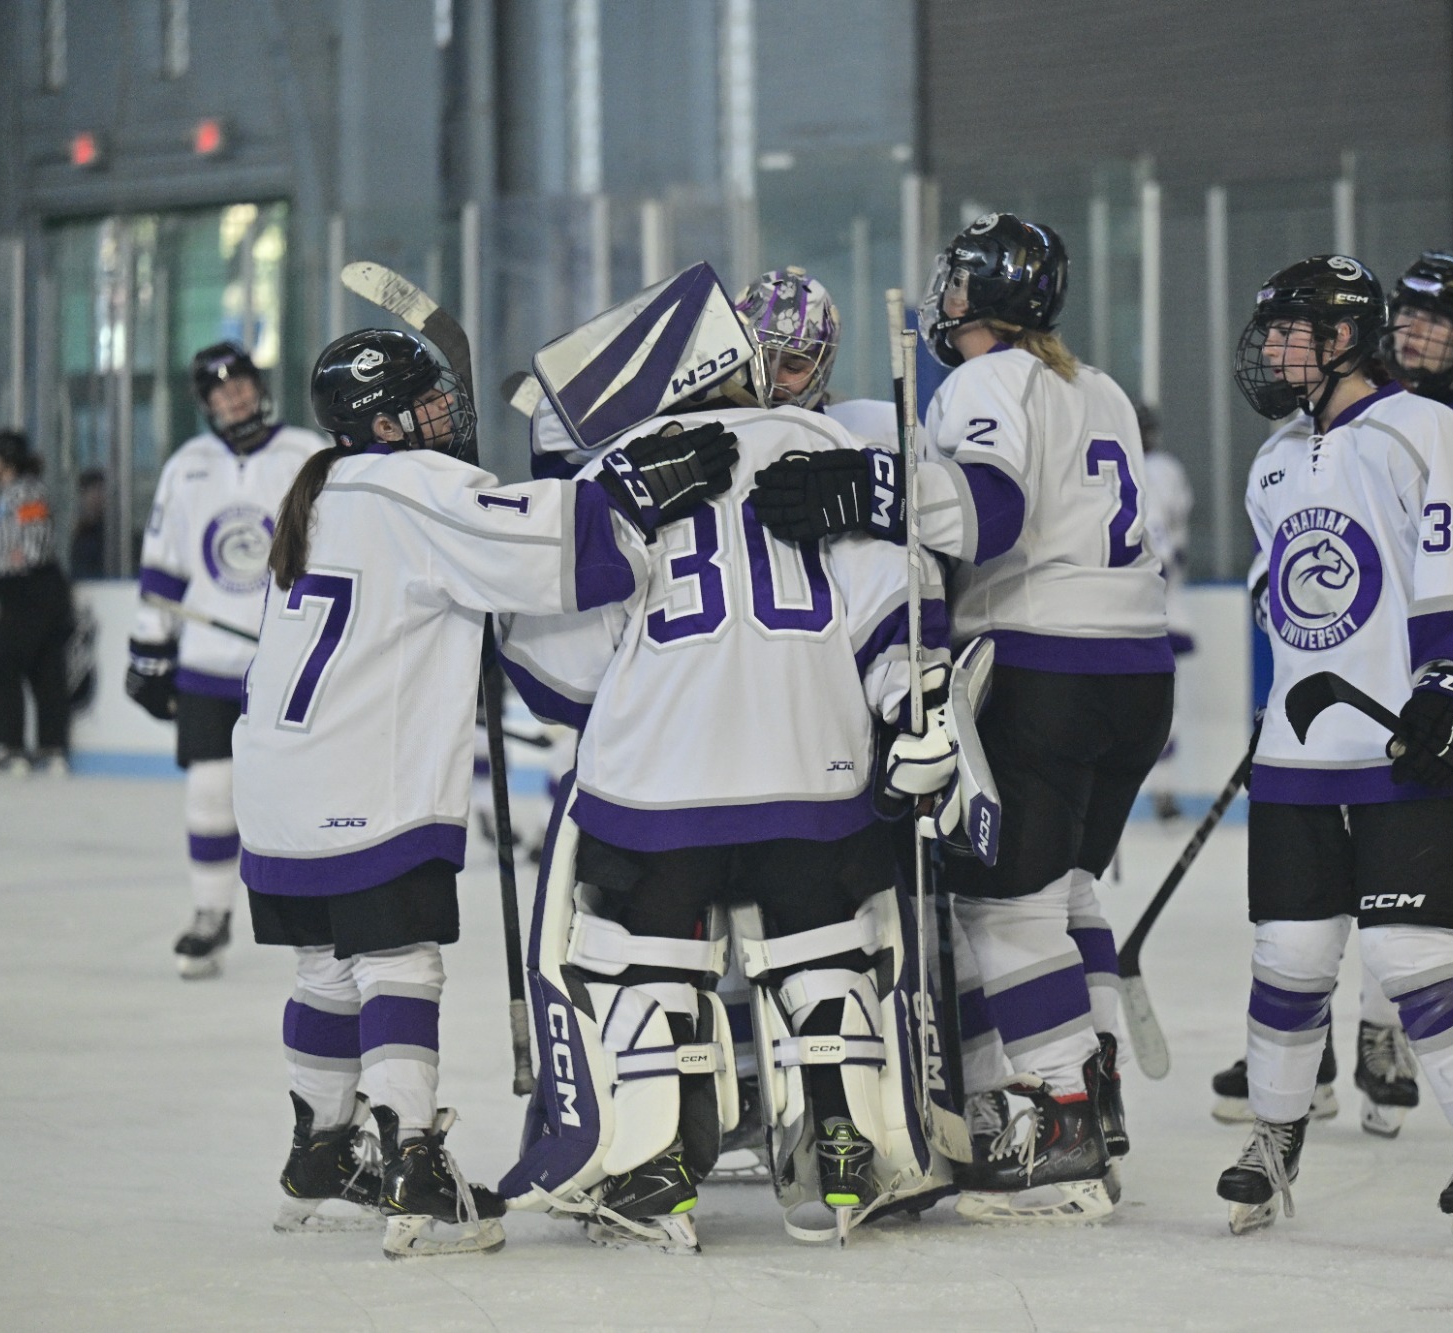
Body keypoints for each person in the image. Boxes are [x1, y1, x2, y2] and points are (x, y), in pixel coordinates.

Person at [496, 261, 957, 1249]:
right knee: (823, 942)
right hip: (812, 763)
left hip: (666, 775)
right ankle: (842, 1143)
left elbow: (558, 668)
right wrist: (913, 709)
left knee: (647, 958)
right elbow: (896, 604)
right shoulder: (830, 439)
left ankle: (656, 1166)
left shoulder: (631, 459)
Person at [236, 327, 706, 1258]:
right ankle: (415, 1169)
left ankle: (321, 1158)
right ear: (381, 421)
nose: (448, 415)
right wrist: (632, 491)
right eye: (428, 403)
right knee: (400, 965)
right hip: (366, 781)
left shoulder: (321, 487)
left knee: (328, 968)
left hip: (279, 785)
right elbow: (582, 562)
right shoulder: (415, 486)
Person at [751, 213, 1172, 1223]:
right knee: (1068, 892)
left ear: (972, 294)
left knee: (1003, 910)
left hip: (1043, 663)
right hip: (1137, 673)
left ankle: (1056, 1117)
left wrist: (865, 484)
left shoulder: (989, 382)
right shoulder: (1094, 384)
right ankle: (1093, 1096)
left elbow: (989, 514)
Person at [1215, 254, 1453, 1246]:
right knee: (1290, 951)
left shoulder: (1422, 430)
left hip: (1412, 738)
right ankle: (1275, 1135)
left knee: (1408, 949)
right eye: (1269, 333)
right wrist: (1267, 718)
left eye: (1292, 332)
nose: (1272, 352)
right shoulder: (1272, 460)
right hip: (1305, 750)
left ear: (1346, 336)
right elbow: (1279, 612)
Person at [124, 343, 326, 979]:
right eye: (218, 393)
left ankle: (314, 917)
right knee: (210, 793)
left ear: (256, 387)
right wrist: (148, 647)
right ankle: (210, 915)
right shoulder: (189, 466)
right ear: (205, 404)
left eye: (239, 386)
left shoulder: (305, 455)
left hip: (288, 662)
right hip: (209, 662)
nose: (232, 398)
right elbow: (165, 564)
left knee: (300, 799)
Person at [0, 431, 74, 776]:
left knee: (6, 665)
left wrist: (14, 562)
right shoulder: (2, 494)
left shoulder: (28, 490)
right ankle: (50, 747)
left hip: (30, 586)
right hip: (22, 585)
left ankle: (15, 747)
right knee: (43, 667)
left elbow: (34, 541)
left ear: (6, 460)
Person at [1137, 404, 1196, 822]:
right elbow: (1168, 538)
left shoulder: (1153, 468)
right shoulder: (1162, 468)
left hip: (1145, 609)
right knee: (1161, 709)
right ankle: (1162, 791)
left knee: (1159, 709)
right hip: (1157, 607)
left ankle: (1162, 791)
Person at [69, 469, 107, 579]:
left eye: (100, 490)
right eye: (92, 491)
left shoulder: (111, 532)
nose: (97, 496)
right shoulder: (80, 533)